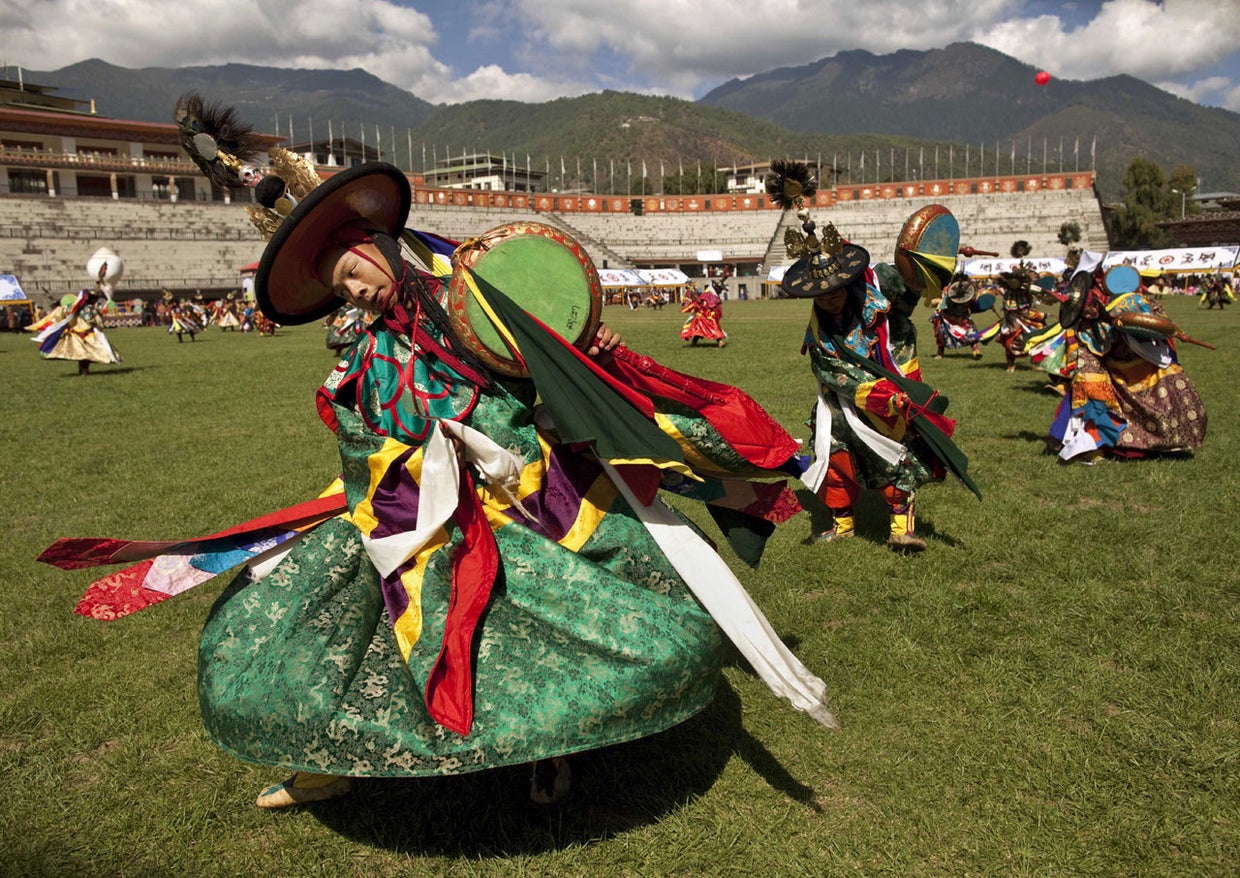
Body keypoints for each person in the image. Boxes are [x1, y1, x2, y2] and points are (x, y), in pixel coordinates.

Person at [45, 149, 834, 812]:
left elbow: (539, 363)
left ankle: (547, 748)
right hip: (402, 509)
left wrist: (584, 345)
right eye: (342, 289)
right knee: (305, 622)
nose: (356, 292)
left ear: (379, 244)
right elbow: (366, 437)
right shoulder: (363, 352)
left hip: (525, 489)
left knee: (588, 618)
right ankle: (331, 763)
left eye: (355, 272)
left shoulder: (470, 293)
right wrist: (405, 475)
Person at [780, 217, 977, 552]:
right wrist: (878, 396)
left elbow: (912, 278)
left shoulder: (878, 286)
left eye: (835, 293)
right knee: (835, 459)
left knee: (895, 456)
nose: (830, 301)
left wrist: (934, 266)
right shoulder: (820, 338)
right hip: (842, 404)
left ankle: (902, 529)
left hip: (892, 383)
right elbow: (833, 372)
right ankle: (842, 527)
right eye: (822, 296)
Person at [1047, 264, 1207, 463]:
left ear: (1094, 299)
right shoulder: (1085, 329)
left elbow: (1158, 320)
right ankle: (1111, 444)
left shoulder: (1129, 302)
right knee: (1095, 397)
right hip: (1117, 375)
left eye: (1087, 308)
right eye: (1081, 312)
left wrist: (1149, 326)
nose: (1087, 314)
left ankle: (1169, 443)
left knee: (1169, 404)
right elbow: (1088, 359)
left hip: (1149, 365)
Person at [34, 288, 122, 375]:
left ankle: (83, 369)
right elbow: (93, 320)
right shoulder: (88, 309)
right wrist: (98, 322)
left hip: (76, 334)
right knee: (86, 354)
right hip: (87, 335)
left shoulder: (73, 308)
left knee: (82, 354)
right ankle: (84, 369)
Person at [930, 273, 985, 360]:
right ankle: (940, 353)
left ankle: (976, 350)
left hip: (963, 316)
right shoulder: (947, 290)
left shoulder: (969, 290)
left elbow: (973, 305)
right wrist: (940, 302)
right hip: (947, 316)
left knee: (971, 332)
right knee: (942, 334)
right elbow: (944, 304)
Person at [679, 280, 727, 347]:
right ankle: (719, 342)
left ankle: (719, 342)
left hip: (709, 316)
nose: (721, 291)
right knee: (701, 329)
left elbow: (717, 308)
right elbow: (697, 303)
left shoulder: (715, 297)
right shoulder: (706, 295)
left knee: (709, 328)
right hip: (702, 316)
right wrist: (688, 308)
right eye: (720, 289)